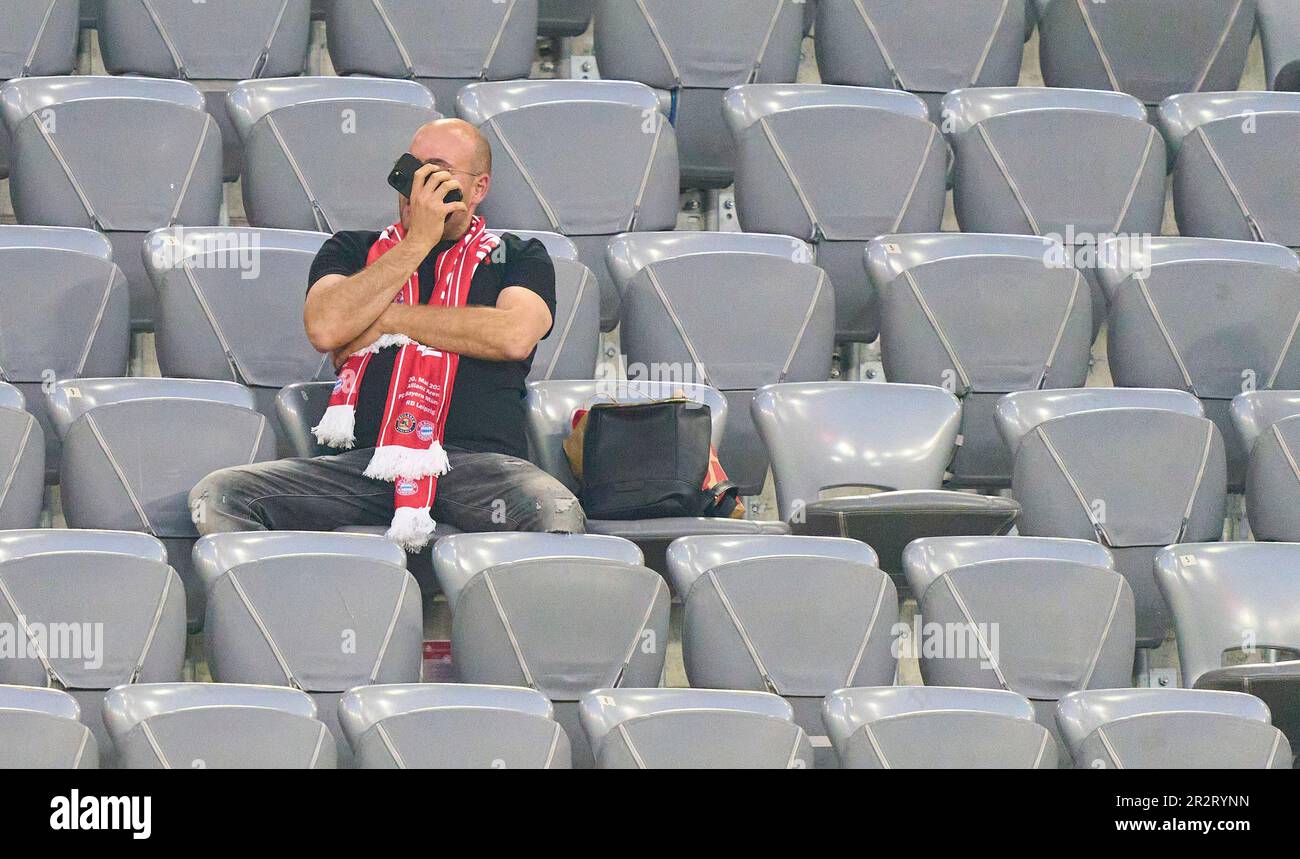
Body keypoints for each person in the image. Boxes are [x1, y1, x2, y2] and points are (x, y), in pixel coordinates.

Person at [188, 118, 586, 549]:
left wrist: (387, 320)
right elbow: (325, 326)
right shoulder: (353, 249)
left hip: (480, 468)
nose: (421, 187)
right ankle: (292, 612)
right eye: (414, 170)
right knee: (219, 497)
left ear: (479, 187)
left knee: (557, 511)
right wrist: (417, 242)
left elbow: (513, 335)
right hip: (365, 467)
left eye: (438, 170)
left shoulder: (517, 255)